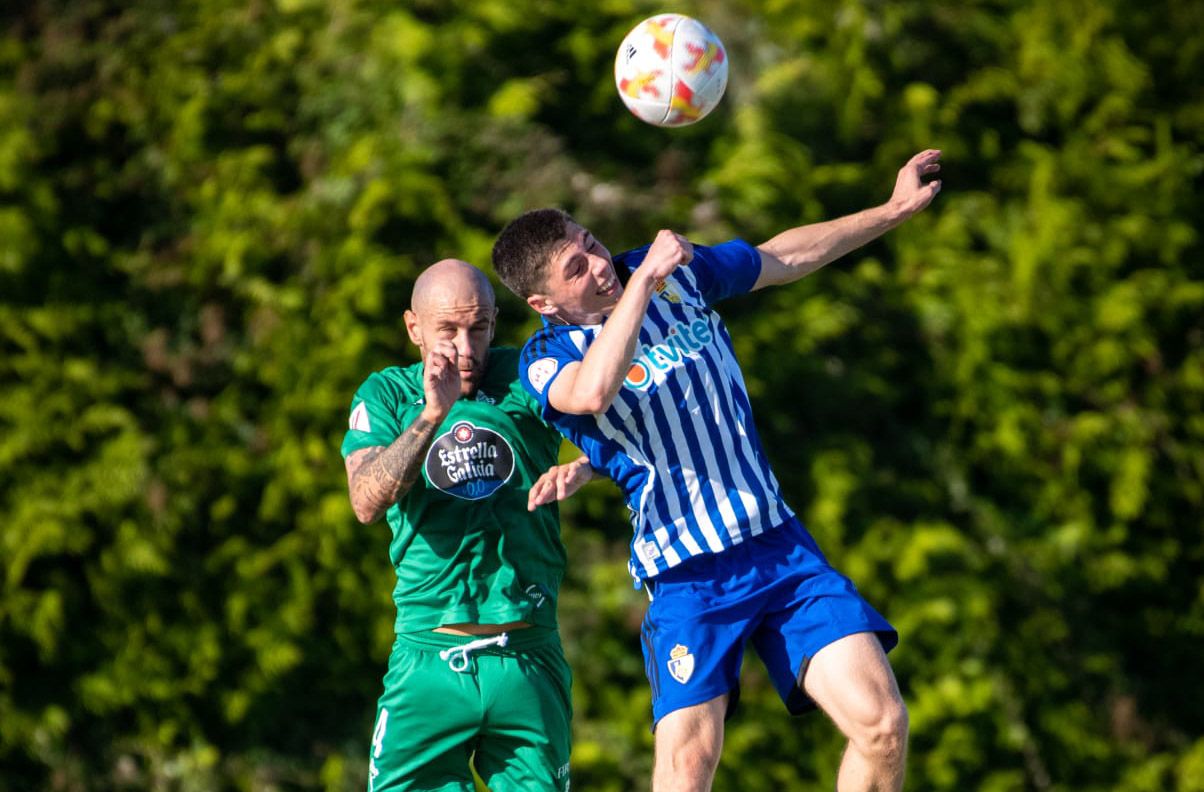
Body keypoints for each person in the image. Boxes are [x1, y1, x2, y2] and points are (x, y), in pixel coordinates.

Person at [491, 149, 943, 792]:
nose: (598, 263)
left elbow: (781, 257)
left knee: (882, 723)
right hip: (688, 575)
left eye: (590, 243)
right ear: (544, 301)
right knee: (687, 769)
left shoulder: (676, 275)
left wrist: (891, 211)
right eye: (576, 267)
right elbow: (592, 394)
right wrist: (643, 281)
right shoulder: (547, 354)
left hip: (778, 547)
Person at [341, 259, 585, 792]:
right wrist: (431, 415)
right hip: (427, 660)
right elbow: (365, 502)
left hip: (528, 657)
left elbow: (622, 414)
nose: (466, 349)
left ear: (495, 322)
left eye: (478, 328)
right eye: (447, 331)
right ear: (414, 329)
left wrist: (588, 465)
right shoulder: (386, 395)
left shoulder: (531, 371)